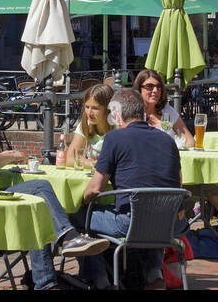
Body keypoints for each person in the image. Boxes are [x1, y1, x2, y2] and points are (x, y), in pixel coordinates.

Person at [78, 88, 183, 289]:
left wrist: (83, 201)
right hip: (170, 225)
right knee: (150, 213)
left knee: (79, 215)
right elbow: (178, 183)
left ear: (117, 114)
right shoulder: (168, 140)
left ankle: (100, 281)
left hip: (130, 224)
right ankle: (154, 275)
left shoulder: (115, 138)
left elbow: (95, 189)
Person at [132, 68, 194, 145]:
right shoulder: (132, 114)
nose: (155, 90)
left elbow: (190, 141)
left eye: (158, 86)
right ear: (139, 89)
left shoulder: (168, 111)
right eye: (149, 86)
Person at [68, 83, 114, 165]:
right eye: (87, 107)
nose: (89, 113)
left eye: (95, 108)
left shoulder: (118, 128)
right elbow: (69, 159)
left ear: (108, 109)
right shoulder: (85, 124)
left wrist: (87, 163)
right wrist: (89, 164)